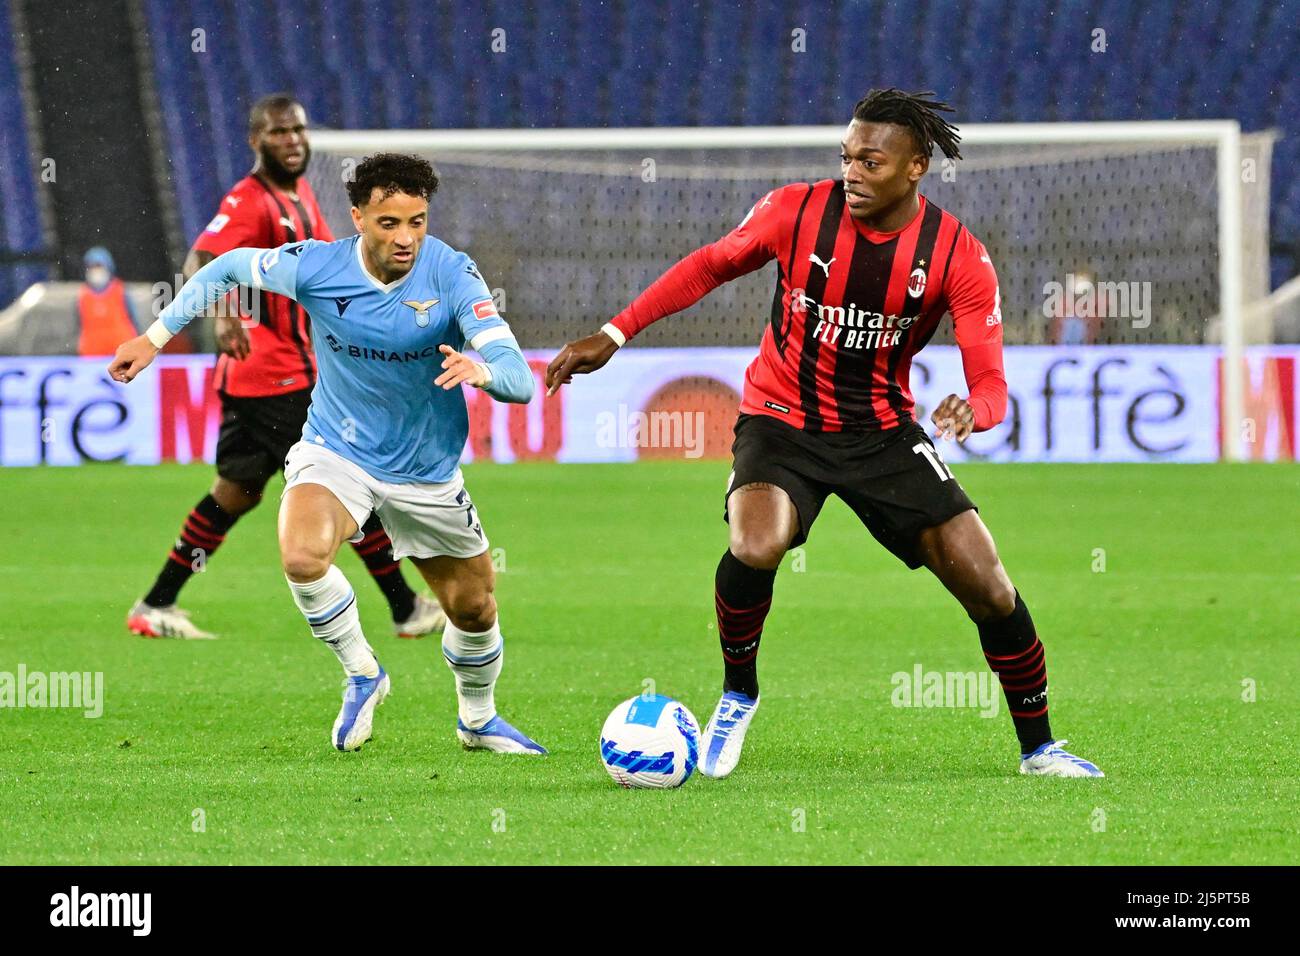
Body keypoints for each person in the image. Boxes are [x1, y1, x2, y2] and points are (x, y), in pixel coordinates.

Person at [547, 89, 1102, 779]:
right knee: (756, 542)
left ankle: (1039, 748)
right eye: (846, 158)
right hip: (780, 420)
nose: (853, 173)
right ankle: (738, 692)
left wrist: (973, 412)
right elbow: (709, 265)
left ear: (916, 168)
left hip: (883, 433)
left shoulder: (959, 256)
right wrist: (613, 333)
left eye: (871, 161)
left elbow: (990, 383)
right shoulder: (795, 211)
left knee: (988, 584)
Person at [111, 153, 546, 755]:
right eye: (389, 223)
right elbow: (228, 267)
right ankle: (363, 672)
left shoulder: (452, 274)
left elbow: (521, 380)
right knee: (302, 555)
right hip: (337, 450)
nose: (406, 238)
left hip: (426, 470)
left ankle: (477, 719)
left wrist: (483, 369)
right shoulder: (319, 265)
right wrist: (154, 339)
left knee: (473, 609)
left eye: (417, 221)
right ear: (358, 217)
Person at [126, 94, 443, 641]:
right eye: (278, 132)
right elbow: (202, 258)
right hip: (274, 377)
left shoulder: (299, 195)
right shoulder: (249, 200)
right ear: (255, 140)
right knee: (347, 484)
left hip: (275, 378)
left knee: (236, 493)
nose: (292, 140)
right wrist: (224, 315)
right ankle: (406, 607)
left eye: (297, 130)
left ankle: (155, 604)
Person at [76, 247, 138, 357]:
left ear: (108, 268)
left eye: (99, 266)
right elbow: (78, 326)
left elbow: (134, 321)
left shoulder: (121, 291)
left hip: (121, 354)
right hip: (92, 356)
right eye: (92, 267)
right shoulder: (82, 296)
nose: (96, 271)